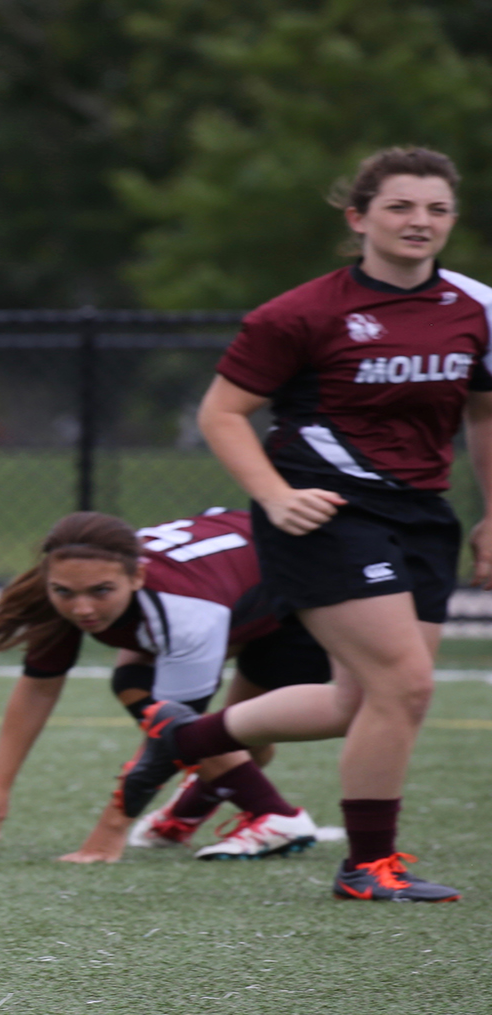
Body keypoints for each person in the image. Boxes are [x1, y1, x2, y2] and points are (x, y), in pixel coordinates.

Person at [124, 146, 492, 902]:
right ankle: (368, 865)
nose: (420, 221)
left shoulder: (477, 307)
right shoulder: (300, 313)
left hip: (423, 516)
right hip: (324, 512)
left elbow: (485, 414)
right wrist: (276, 495)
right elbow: (221, 413)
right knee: (407, 685)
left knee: (358, 700)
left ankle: (187, 737)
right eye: (400, 206)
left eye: (436, 209)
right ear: (358, 218)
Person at [0, 509, 338, 862]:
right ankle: (187, 817)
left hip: (306, 595)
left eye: (101, 592)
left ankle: (278, 817)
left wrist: (109, 831)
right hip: (251, 581)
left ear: (138, 575)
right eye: (64, 592)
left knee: (203, 731)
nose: (82, 608)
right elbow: (39, 687)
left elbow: (178, 738)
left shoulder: (186, 612)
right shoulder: (69, 578)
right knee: (223, 734)